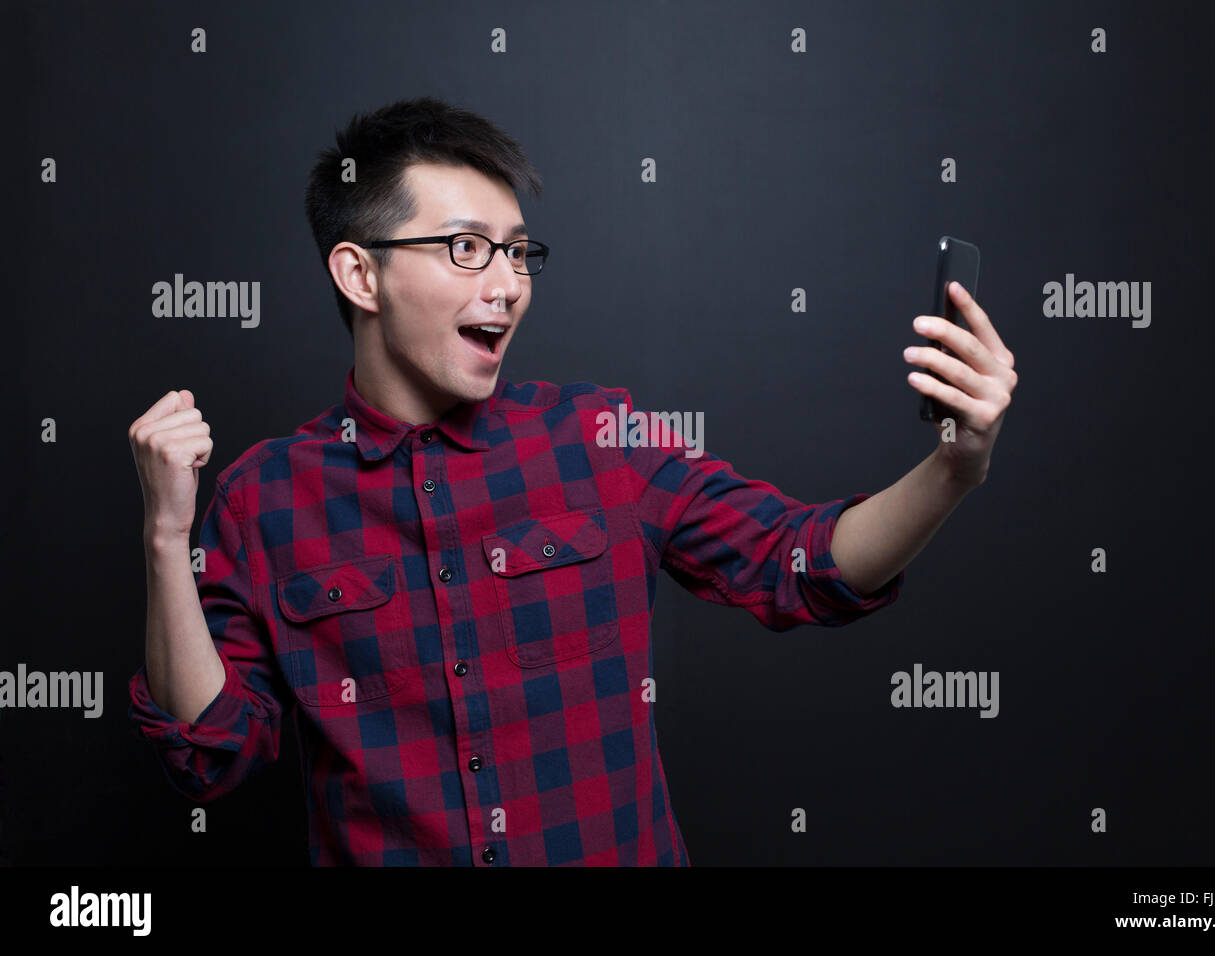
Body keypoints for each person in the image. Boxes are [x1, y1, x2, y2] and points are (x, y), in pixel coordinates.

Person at [125, 96, 1017, 866]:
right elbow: (213, 751)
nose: (508, 285)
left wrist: (955, 467)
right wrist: (167, 540)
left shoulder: (602, 439)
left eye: (519, 253)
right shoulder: (264, 498)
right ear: (361, 273)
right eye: (467, 248)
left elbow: (805, 563)